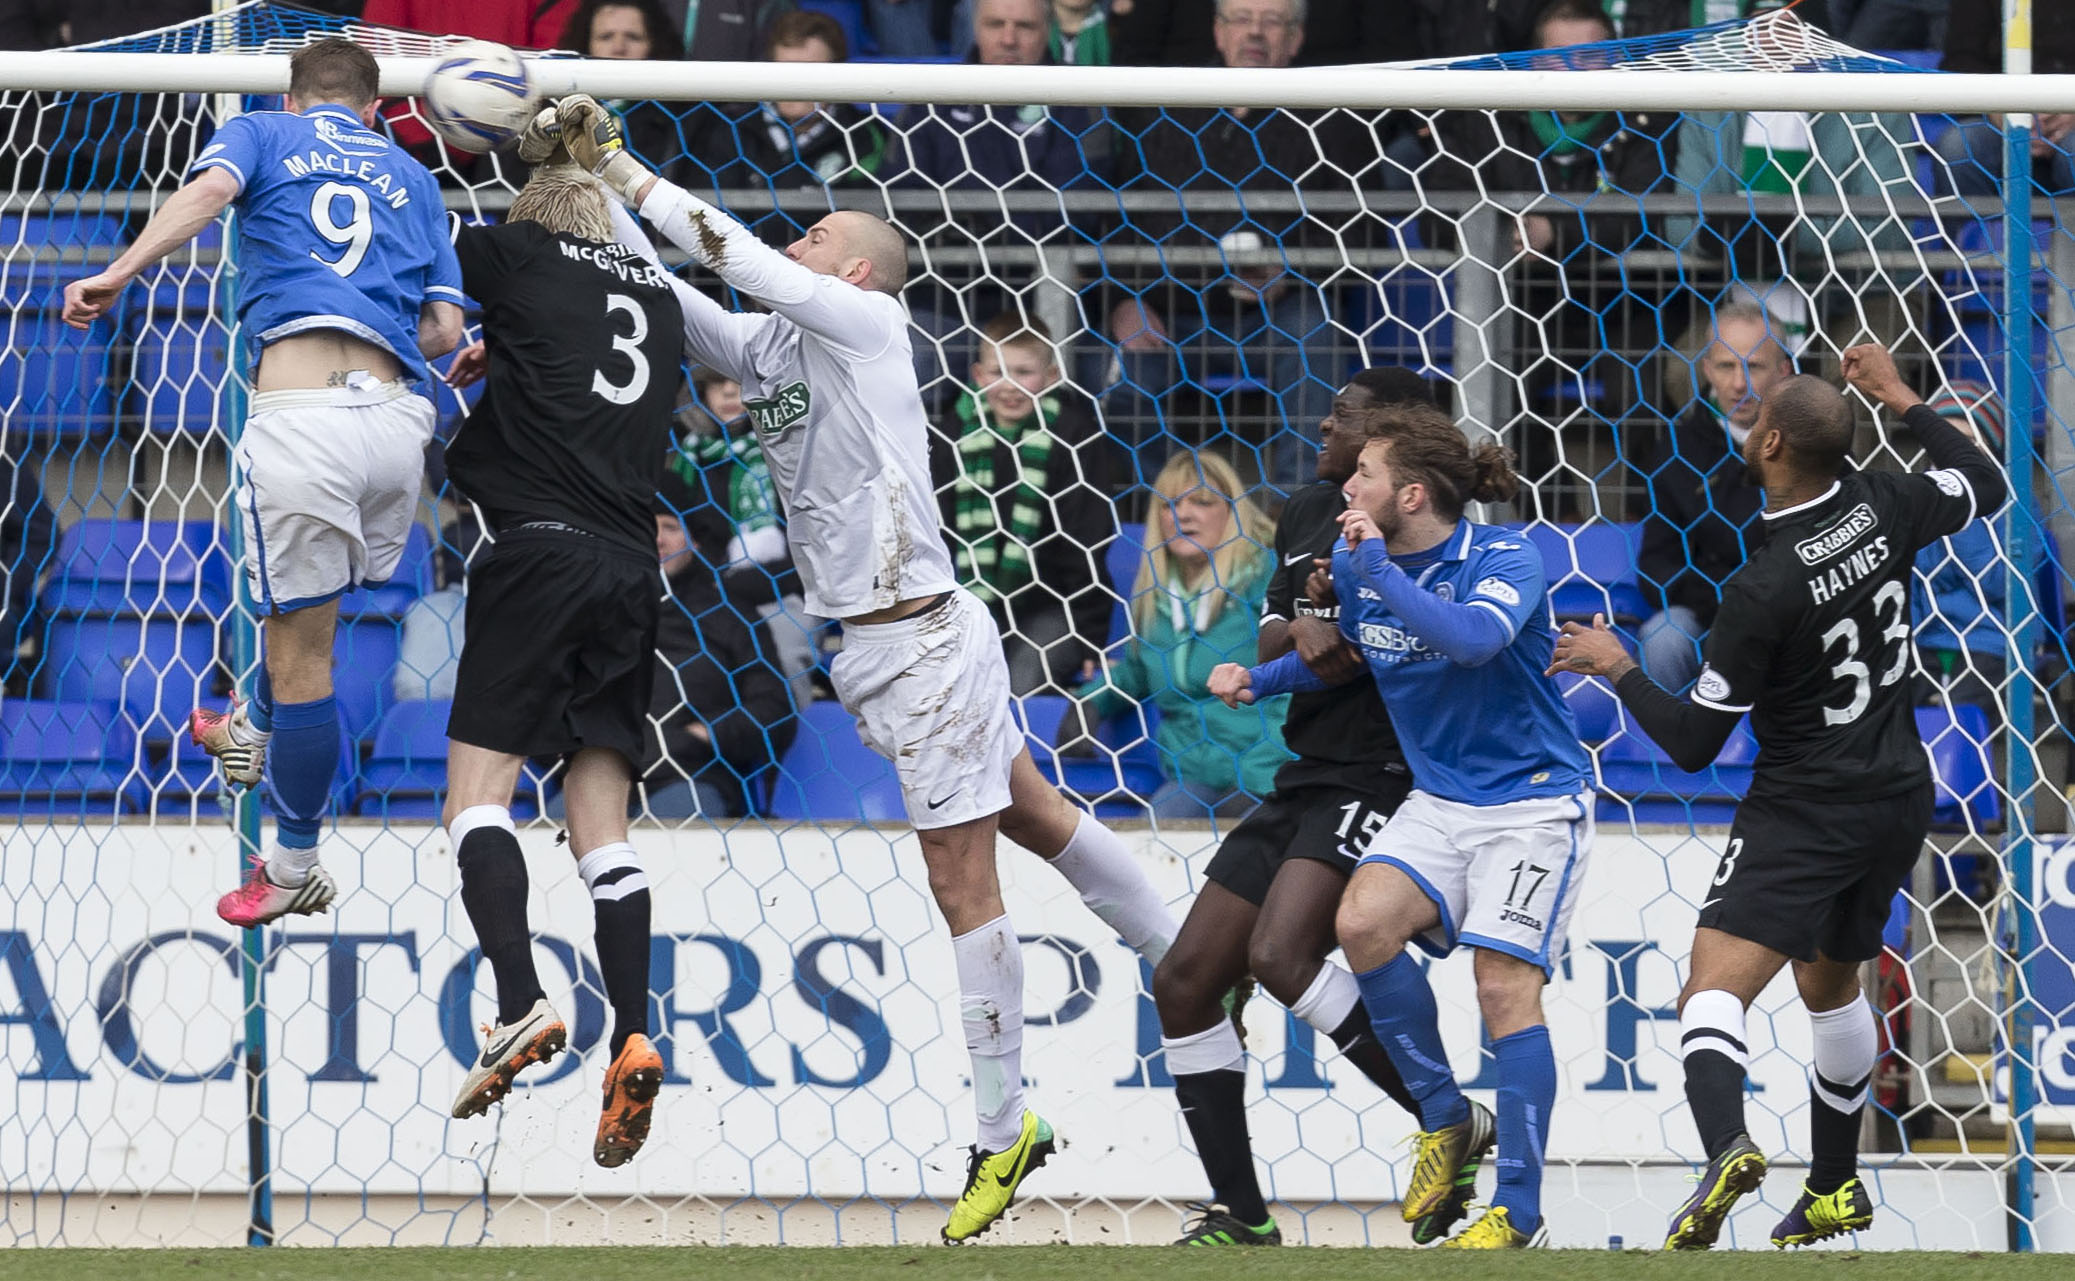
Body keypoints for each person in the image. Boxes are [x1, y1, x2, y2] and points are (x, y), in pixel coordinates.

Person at [557, 92, 1182, 1241]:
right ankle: (1184, 954)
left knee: (962, 887)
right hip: (884, 649)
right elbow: (672, 298)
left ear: (855, 275)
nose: (797, 243)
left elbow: (733, 252)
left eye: (818, 239)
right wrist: (592, 201)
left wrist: (628, 168)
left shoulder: (869, 330)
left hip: (924, 636)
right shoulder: (775, 345)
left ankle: (1004, 1131)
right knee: (1038, 817)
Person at [1547, 346, 2010, 1250]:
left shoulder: (1761, 590)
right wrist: (1900, 395)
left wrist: (1621, 665)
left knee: (1710, 991)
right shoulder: (1887, 501)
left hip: (1804, 806)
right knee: (1830, 983)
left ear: (1765, 445)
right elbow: (1982, 481)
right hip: (1896, 795)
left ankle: (1727, 1147)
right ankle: (1835, 1190)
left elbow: (1688, 745)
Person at [62, 38, 465, 926]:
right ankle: (250, 725)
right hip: (400, 424)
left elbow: (207, 196)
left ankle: (292, 862)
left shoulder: (261, 135)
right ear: (371, 107)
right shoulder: (415, 176)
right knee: (308, 621)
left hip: (304, 419)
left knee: (301, 652)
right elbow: (441, 329)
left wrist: (118, 272)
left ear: (295, 100)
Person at [1211, 403, 1595, 1250]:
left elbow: (1467, 642)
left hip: (1529, 805)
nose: (1346, 487)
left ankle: (1517, 1213)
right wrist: (1258, 677)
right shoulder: (1358, 565)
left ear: (1411, 494)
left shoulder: (1502, 556)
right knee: (1359, 923)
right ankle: (1445, 1115)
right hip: (1439, 799)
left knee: (1502, 988)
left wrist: (1375, 571)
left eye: (1364, 478)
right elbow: (1353, 647)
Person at [1152, 369, 1479, 1249]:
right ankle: (1245, 1217)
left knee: (1280, 950)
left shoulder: (1443, 541)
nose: (1325, 425)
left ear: (1393, 441)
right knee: (1184, 982)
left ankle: (1446, 1117)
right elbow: (1275, 639)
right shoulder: (1305, 511)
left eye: (1346, 416)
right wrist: (1302, 629)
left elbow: (1395, 651)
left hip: (1385, 771)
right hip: (1307, 769)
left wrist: (1340, 629)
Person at [433, 159, 685, 1169]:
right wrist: (509, 353)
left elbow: (424, 239)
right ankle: (631, 1026)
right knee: (602, 825)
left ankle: (519, 1002)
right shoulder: (658, 298)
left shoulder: (519, 251)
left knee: (475, 801)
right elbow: (579, 353)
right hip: (631, 568)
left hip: (536, 549)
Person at [1103, 0, 1381, 487]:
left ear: (1295, 38)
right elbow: (1122, 220)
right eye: (1241, 18)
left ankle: (1299, 509)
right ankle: (1168, 505)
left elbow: (1360, 230)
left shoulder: (1331, 119)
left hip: (1279, 314)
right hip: (1175, 311)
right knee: (1121, 374)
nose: (1255, 32)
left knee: (1313, 343)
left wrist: (1291, 271)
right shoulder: (1169, 108)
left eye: (1272, 21)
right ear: (1217, 31)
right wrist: (1127, 299)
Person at [1069, 450, 1289, 821]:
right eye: (1169, 505)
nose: (1183, 515)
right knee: (1150, 847)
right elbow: (1140, 670)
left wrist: (1256, 782)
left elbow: (1294, 692)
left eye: (1201, 502)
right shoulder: (1158, 598)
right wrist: (1092, 702)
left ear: (1233, 510)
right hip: (1192, 778)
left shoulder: (1267, 580)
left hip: (1266, 778)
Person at [933, 312, 1119, 695]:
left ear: (1050, 376)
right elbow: (937, 531)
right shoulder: (952, 433)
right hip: (971, 600)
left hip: (1053, 608)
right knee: (954, 688)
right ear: (977, 375)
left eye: (1023, 372)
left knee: (1017, 687)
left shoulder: (1074, 436)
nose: (1009, 386)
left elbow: (1087, 543)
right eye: (997, 371)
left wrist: (1088, 637)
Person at [1635, 303, 1787, 690]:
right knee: (1663, 637)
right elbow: (1656, 565)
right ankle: (1671, 748)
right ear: (1706, 370)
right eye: (1725, 366)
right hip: (1709, 614)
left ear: (1783, 370)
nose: (1739, 384)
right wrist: (1723, 600)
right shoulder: (1676, 451)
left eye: (1753, 366)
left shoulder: (1813, 443)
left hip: (1792, 615)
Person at [647, 481, 799, 818]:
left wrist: (704, 734)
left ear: (696, 542)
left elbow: (774, 709)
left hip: (693, 777)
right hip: (603, 780)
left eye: (670, 527)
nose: (658, 539)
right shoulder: (607, 613)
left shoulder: (730, 615)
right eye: (647, 528)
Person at [700, 10, 894, 189]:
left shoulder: (864, 134)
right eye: (786, 71)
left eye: (811, 72)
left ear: (838, 72)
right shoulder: (732, 128)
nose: (796, 85)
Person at [556, 0, 689, 175]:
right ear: (585, 43)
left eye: (633, 37)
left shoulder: (687, 122)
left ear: (655, 44)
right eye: (606, 37)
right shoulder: (554, 114)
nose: (618, 48)